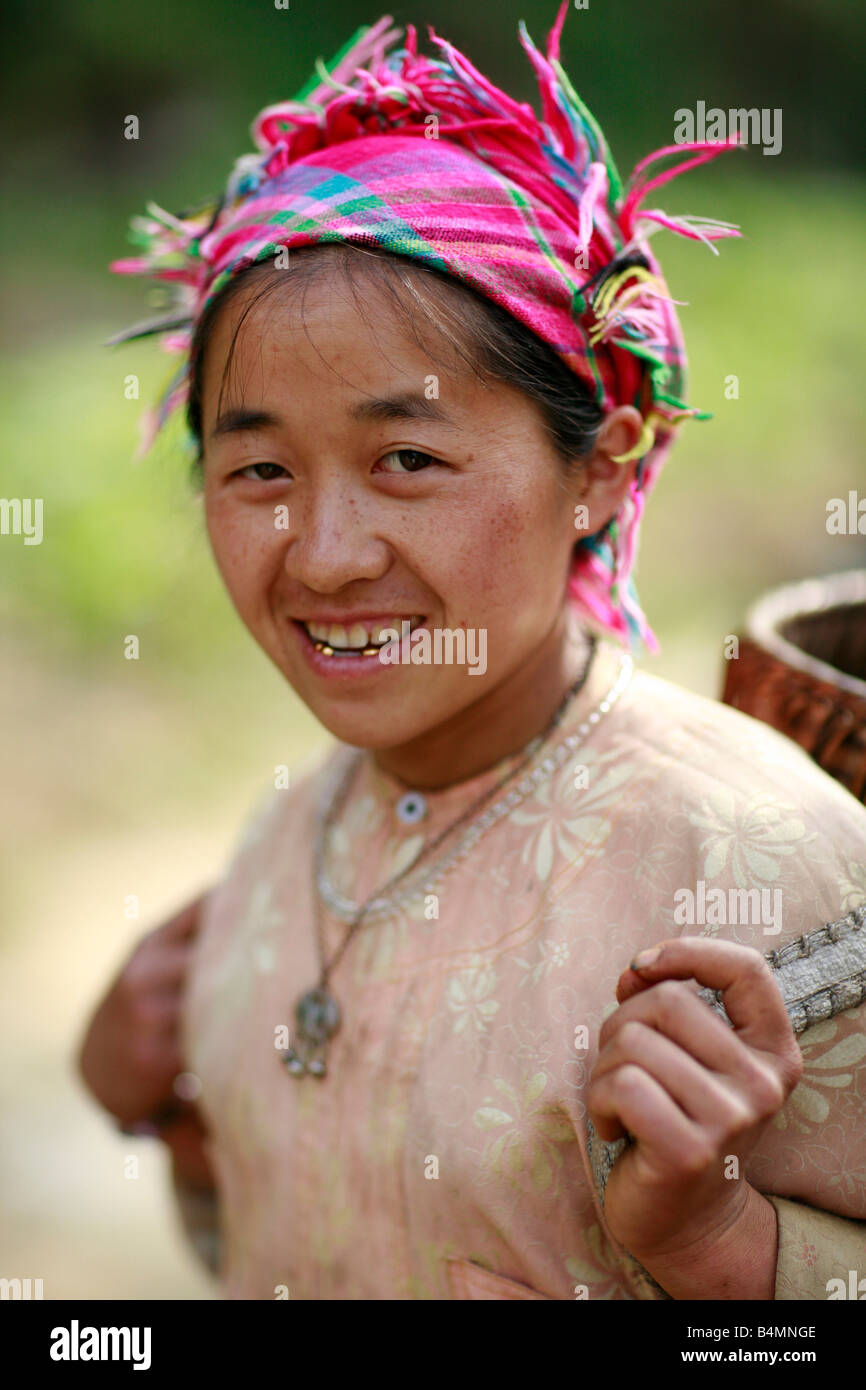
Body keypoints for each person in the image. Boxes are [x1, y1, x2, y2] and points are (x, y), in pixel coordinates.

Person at [79, 5, 866, 1299]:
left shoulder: (770, 871)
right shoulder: (283, 848)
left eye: (409, 459)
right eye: (259, 468)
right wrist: (167, 1108)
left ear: (599, 468)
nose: (324, 553)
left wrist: (719, 1243)